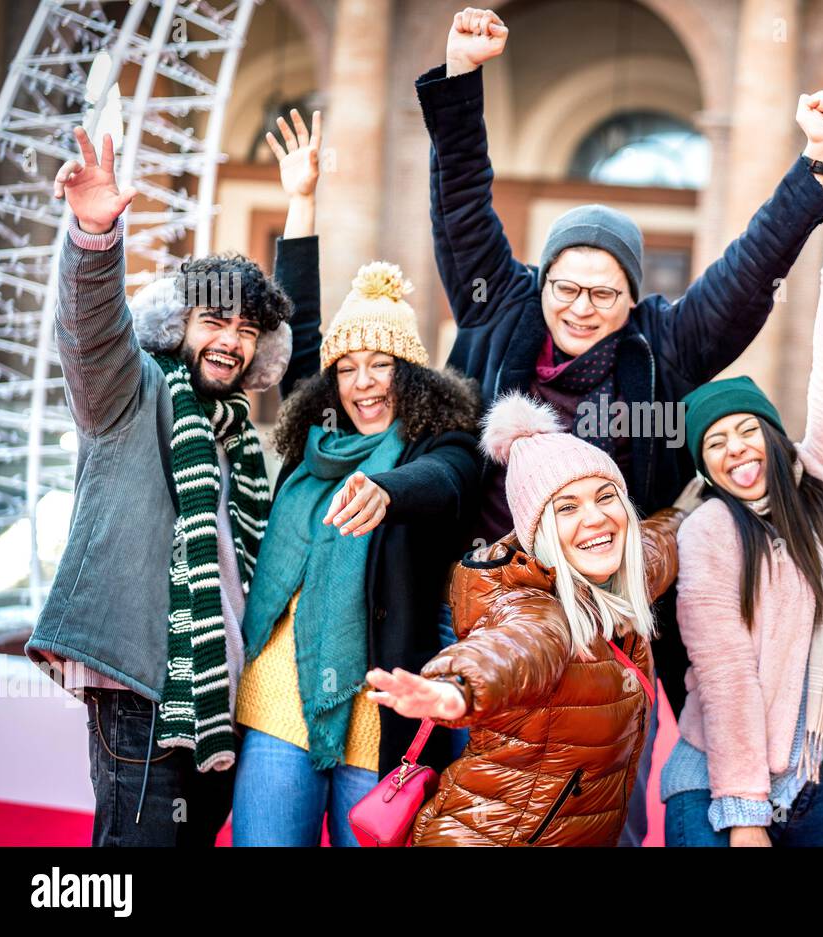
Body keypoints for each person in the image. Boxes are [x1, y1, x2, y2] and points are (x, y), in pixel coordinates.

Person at [418, 5, 823, 843]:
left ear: (632, 297)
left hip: (608, 615)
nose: (581, 308)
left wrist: (816, 167)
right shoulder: (501, 305)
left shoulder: (665, 341)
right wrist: (463, 74)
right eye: (566, 287)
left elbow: (748, 269)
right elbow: (465, 202)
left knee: (598, 799)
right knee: (477, 794)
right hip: (484, 602)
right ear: (541, 281)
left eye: (604, 293)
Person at [24, 126, 303, 846]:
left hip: (217, 703)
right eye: (215, 319)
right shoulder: (132, 392)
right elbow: (88, 332)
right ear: (180, 323)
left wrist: (302, 209)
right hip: (141, 687)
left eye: (248, 329)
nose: (231, 340)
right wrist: (94, 231)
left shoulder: (235, 432)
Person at [229, 111, 483, 847]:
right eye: (347, 367)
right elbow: (299, 324)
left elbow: (448, 478)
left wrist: (388, 491)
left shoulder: (444, 443)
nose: (363, 382)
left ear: (410, 374)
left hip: (384, 708)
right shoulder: (318, 437)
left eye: (382, 365)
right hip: (279, 692)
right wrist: (301, 203)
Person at [662, 152, 823, 847]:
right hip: (715, 780)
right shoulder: (710, 529)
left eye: (745, 432)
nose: (734, 450)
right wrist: (743, 815)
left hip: (822, 775)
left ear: (773, 435)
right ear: (704, 466)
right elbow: (726, 671)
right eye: (715, 445)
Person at [366, 393, 689, 846]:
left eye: (605, 497)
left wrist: (685, 510)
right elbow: (516, 647)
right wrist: (458, 689)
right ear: (538, 535)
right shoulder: (540, 608)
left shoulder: (620, 572)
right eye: (568, 508)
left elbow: (657, 545)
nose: (596, 519)